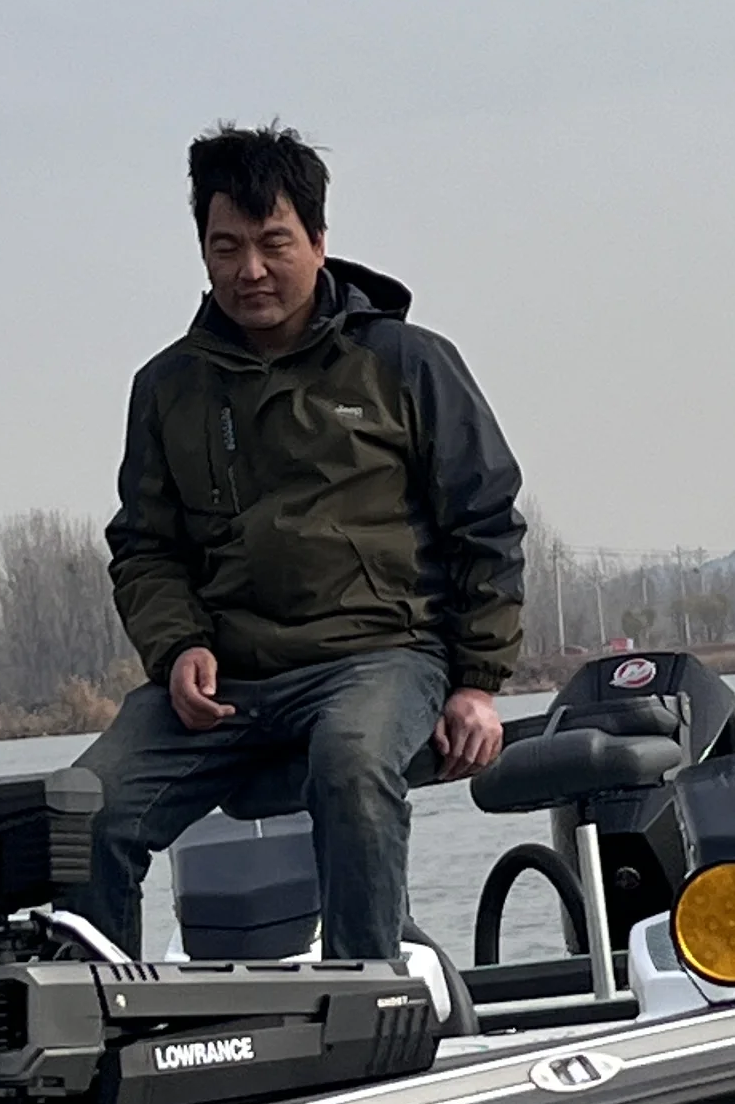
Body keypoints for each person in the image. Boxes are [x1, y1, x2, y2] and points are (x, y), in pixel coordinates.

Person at [78, 122, 524, 960]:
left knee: (352, 764)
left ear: (319, 241)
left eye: (274, 243)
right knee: (83, 807)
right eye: (226, 247)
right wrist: (177, 649)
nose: (250, 271)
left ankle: (367, 998)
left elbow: (487, 521)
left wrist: (479, 683)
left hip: (380, 659)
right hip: (228, 681)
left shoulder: (407, 363)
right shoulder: (166, 388)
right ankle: (100, 1031)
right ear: (203, 253)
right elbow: (145, 548)